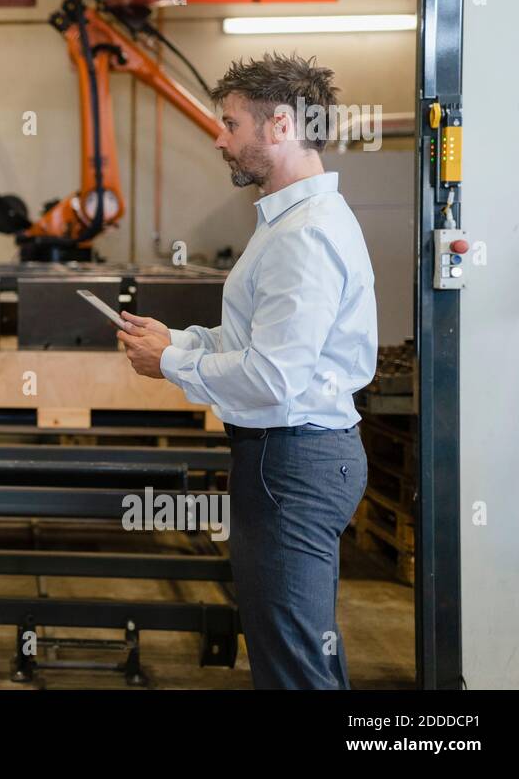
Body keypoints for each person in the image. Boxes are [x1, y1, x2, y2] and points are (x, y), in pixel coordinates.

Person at [118, 52, 377, 689]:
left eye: (230, 123)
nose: (219, 138)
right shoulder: (287, 223)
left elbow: (273, 379)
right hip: (288, 459)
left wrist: (172, 363)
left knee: (293, 665)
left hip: (292, 464)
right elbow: (251, 342)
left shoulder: (303, 236)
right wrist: (178, 339)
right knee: (300, 650)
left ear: (281, 126)